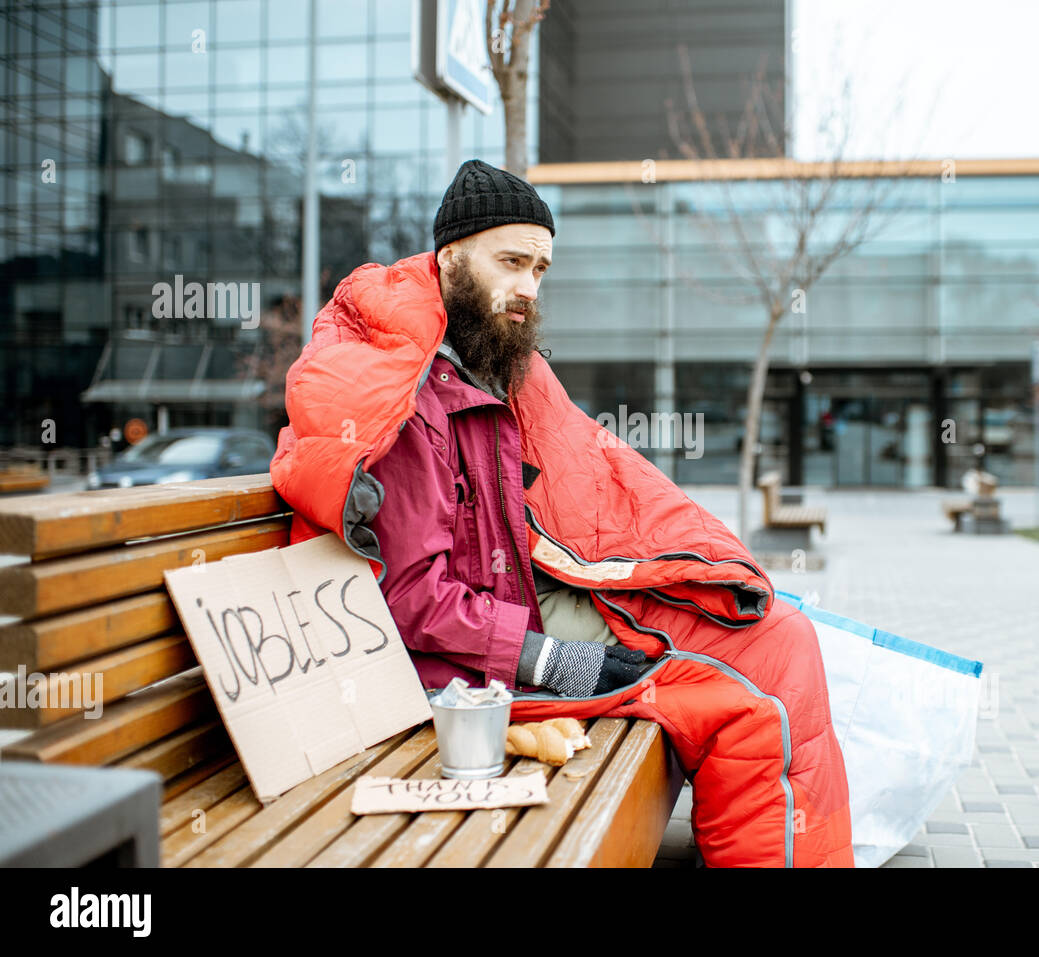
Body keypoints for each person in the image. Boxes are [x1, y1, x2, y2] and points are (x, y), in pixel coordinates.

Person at [271, 159, 852, 867]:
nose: (528, 288)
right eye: (511, 261)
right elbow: (408, 596)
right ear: (451, 255)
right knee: (757, 686)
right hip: (457, 664)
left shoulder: (486, 362)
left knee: (777, 631)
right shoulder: (406, 394)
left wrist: (678, 563)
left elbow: (589, 481)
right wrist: (549, 658)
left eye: (541, 269)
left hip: (529, 596)